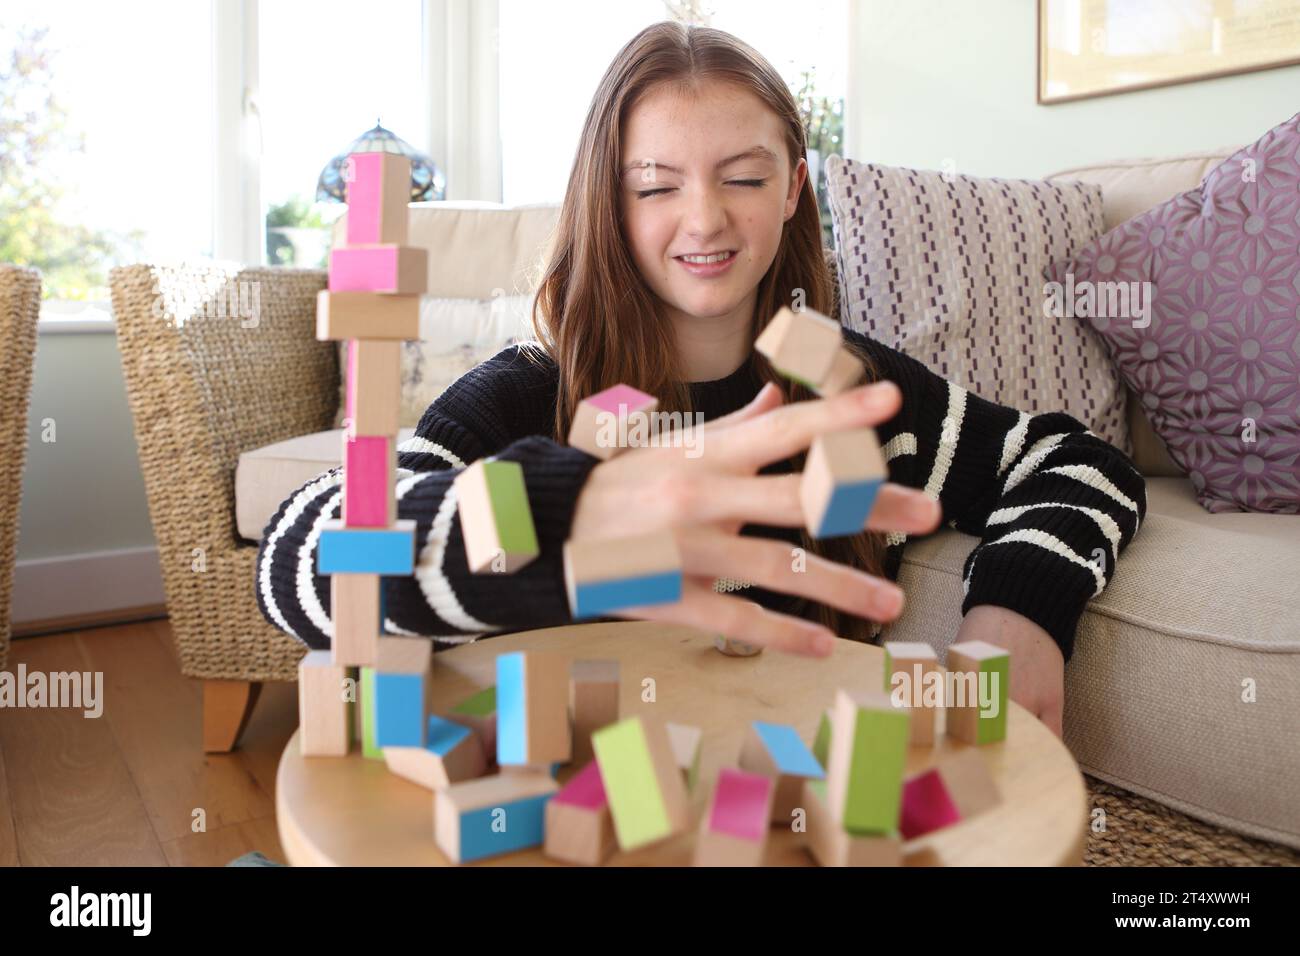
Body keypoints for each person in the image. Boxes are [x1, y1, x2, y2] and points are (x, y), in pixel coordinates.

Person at [256, 21, 1146, 738]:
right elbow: (301, 562)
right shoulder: (535, 389)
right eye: (655, 187)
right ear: (609, 198)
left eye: (744, 177)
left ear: (793, 188)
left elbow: (1076, 460)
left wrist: (1020, 606)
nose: (705, 218)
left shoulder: (842, 379)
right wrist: (564, 513)